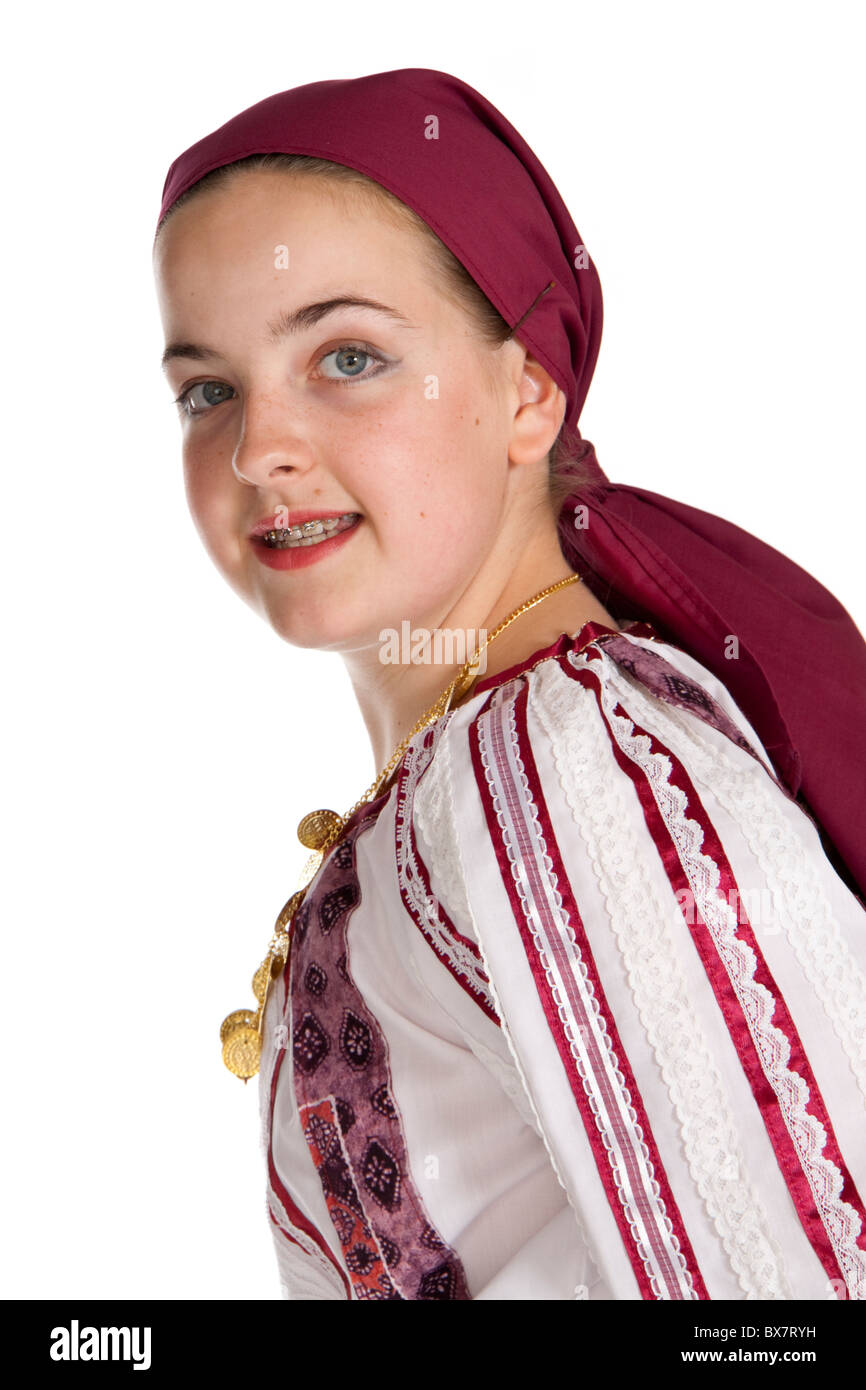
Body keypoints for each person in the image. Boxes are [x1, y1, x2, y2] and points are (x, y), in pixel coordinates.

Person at [153, 68, 866, 1300]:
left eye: (348, 356)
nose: (258, 444)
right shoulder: (495, 758)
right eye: (207, 387)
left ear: (527, 389)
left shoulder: (558, 759)